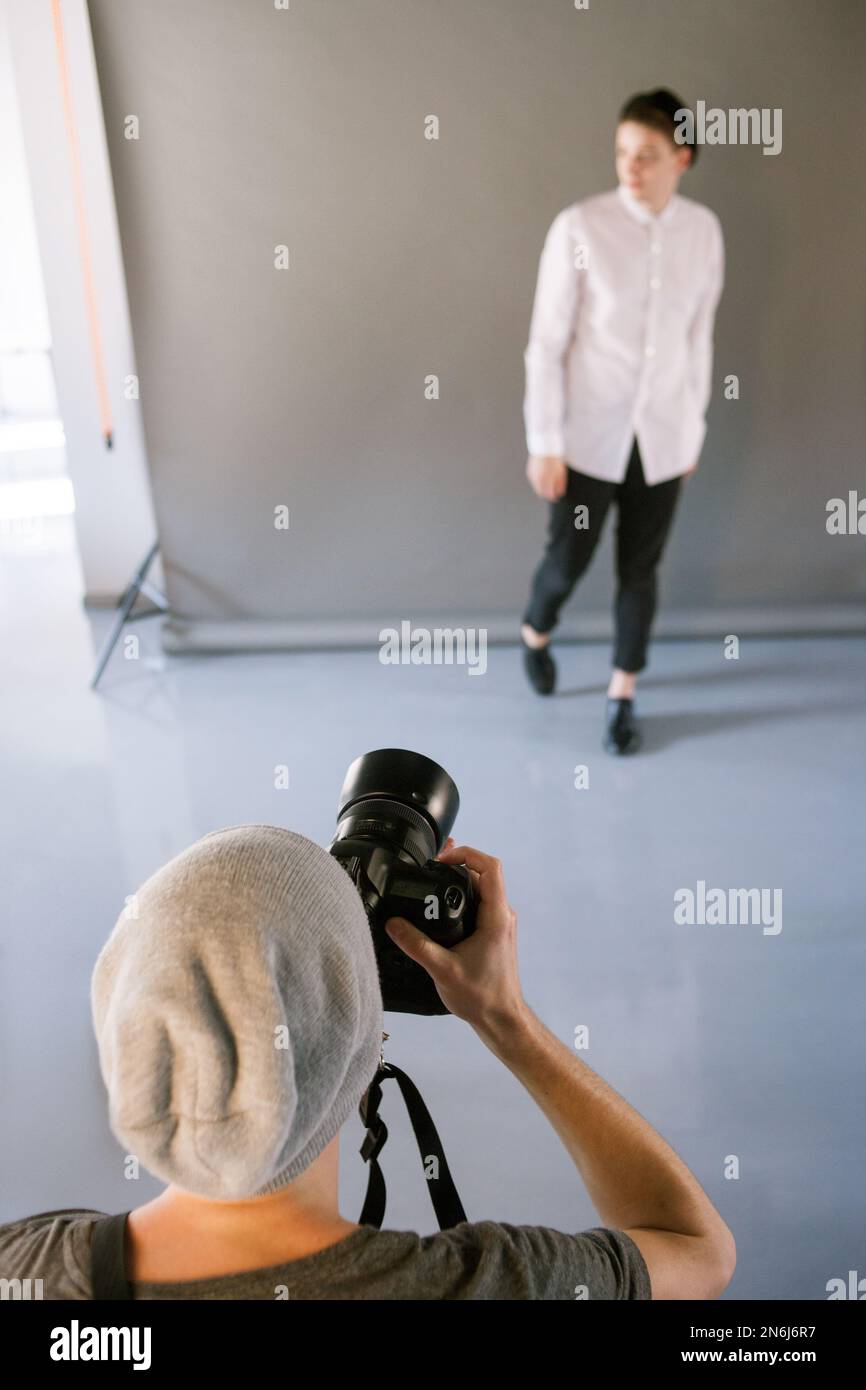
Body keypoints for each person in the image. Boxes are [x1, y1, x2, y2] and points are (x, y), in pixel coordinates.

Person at [0, 824, 735, 1299]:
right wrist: (505, 1020)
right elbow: (697, 1251)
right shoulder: (493, 1288)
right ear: (359, 1049)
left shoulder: (25, 1268)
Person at [520, 88, 725, 754]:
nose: (630, 169)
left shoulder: (703, 232)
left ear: (682, 158)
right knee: (568, 561)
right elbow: (547, 344)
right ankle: (535, 629)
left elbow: (699, 339)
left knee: (641, 569)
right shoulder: (579, 227)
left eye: (647, 156)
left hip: (663, 437)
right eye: (621, 154)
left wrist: (689, 430)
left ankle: (621, 696)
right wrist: (545, 442)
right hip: (587, 437)